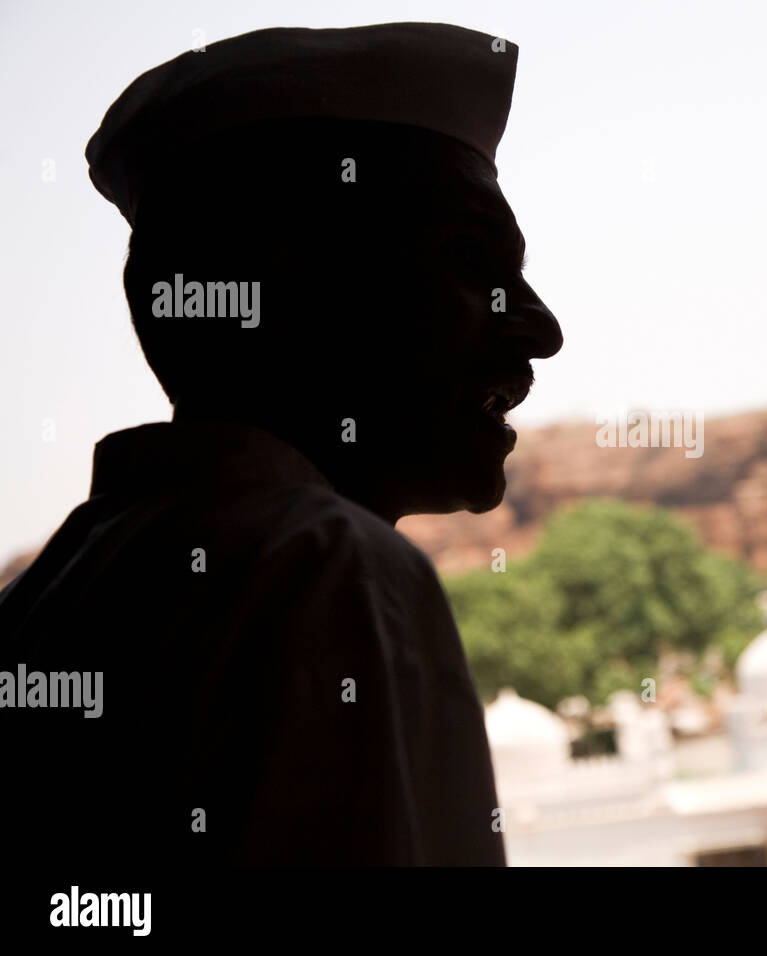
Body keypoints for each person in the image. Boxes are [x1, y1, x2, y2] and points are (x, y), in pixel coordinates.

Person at [0, 22, 562, 866]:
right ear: (296, 283)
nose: (541, 329)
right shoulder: (326, 568)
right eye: (470, 259)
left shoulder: (46, 601)